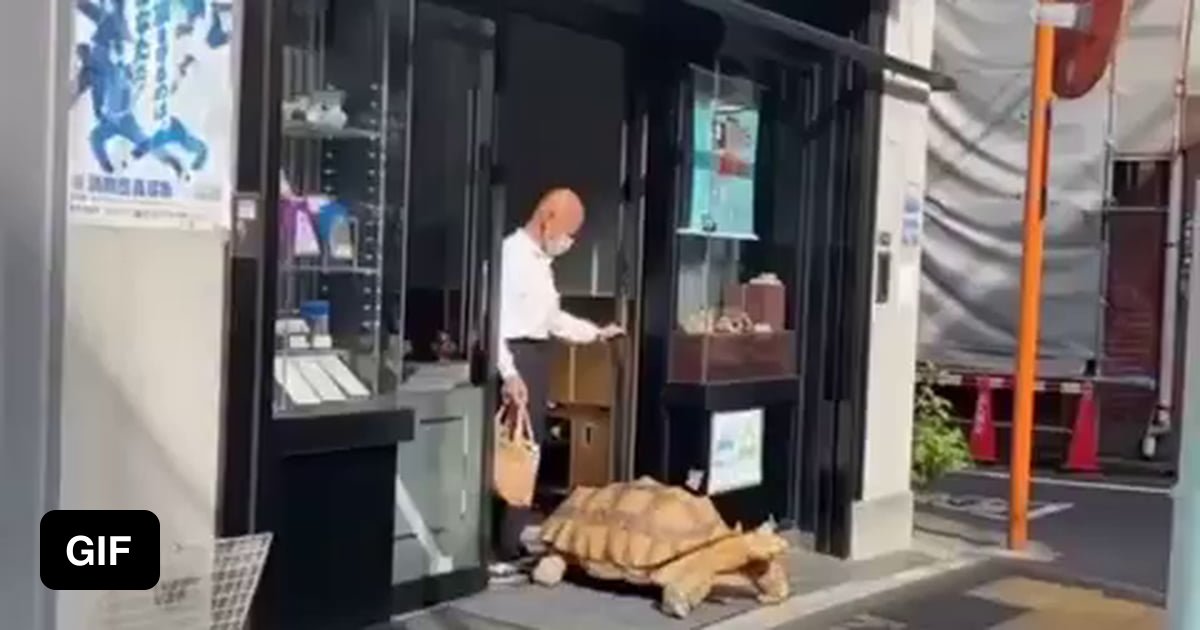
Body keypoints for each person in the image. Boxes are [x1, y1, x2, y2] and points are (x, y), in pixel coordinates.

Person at [490, 187, 623, 584]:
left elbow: (551, 318)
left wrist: (596, 333)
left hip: (535, 357)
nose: (570, 241)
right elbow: (493, 317)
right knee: (511, 453)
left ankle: (508, 544)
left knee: (528, 451)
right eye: (568, 231)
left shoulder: (541, 262)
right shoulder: (511, 256)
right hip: (515, 358)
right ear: (547, 219)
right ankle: (496, 549)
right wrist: (509, 372)